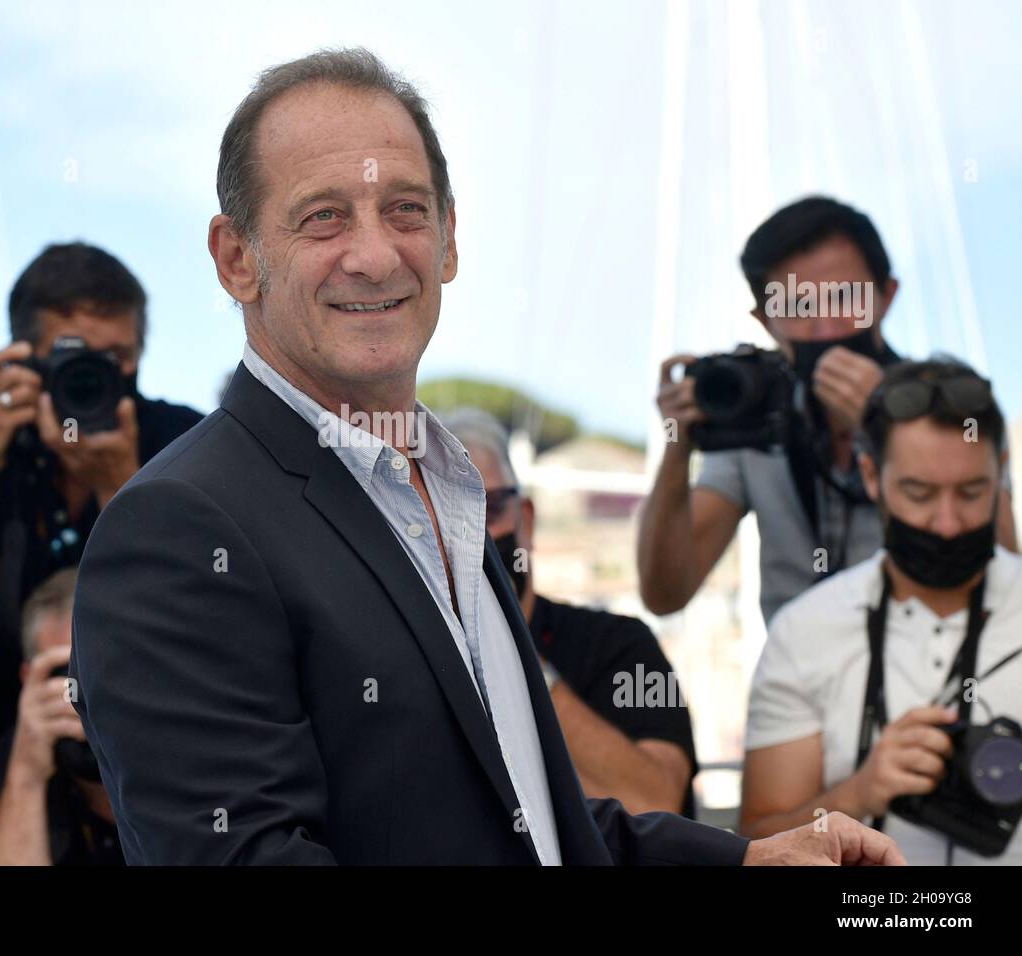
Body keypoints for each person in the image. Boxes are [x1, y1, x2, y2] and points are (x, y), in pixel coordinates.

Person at [70, 47, 901, 866]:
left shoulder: (448, 493)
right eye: (323, 216)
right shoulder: (177, 525)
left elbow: (525, 819)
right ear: (236, 259)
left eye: (405, 210)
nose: (375, 254)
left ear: (450, 240)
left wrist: (746, 864)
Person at [637, 197, 1016, 626]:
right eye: (798, 307)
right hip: (798, 664)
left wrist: (889, 429)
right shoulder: (753, 410)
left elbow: (1006, 577)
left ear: (887, 296)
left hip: (935, 658)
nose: (827, 327)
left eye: (846, 299)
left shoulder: (954, 406)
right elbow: (665, 594)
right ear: (765, 320)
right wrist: (677, 446)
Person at [740, 359, 1022, 864]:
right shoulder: (806, 630)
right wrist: (858, 792)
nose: (947, 523)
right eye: (919, 492)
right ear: (870, 475)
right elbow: (759, 843)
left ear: (1001, 472)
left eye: (972, 492)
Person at [0, 242, 202, 756]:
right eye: (75, 356)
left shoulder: (182, 439)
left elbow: (192, 630)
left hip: (151, 742)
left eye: (115, 358)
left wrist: (122, 487)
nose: (95, 374)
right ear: (24, 358)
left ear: (139, 354)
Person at [442, 408, 696, 816]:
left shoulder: (621, 646)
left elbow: (657, 804)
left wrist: (510, 656)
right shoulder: (412, 662)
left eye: (488, 508)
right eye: (446, 515)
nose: (473, 533)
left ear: (526, 519)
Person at [0, 568, 121, 865]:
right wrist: (28, 776)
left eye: (100, 670)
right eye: (66, 673)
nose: (84, 696)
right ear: (29, 679)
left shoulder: (175, 741)